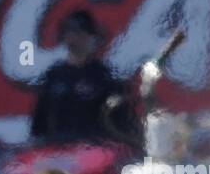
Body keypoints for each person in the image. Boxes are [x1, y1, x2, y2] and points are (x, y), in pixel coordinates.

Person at [30, 9, 140, 148]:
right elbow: (39, 123)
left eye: (79, 33)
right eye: (69, 32)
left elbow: (123, 120)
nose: (74, 38)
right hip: (60, 150)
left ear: (90, 37)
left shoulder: (104, 76)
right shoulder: (54, 76)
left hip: (95, 150)